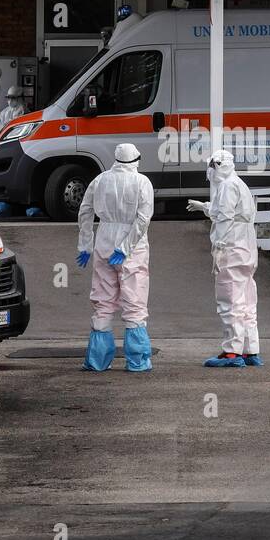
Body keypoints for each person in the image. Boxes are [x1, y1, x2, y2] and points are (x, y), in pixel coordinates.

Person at [76, 143, 154, 372]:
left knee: (103, 299)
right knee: (134, 301)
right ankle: (138, 361)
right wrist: (125, 247)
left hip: (104, 241)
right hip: (132, 247)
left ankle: (97, 360)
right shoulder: (142, 182)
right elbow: (142, 220)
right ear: (136, 159)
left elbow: (85, 211)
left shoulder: (100, 180)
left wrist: (85, 245)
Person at [187, 149, 260, 367]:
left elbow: (226, 218)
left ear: (217, 166)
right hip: (246, 248)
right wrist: (205, 207)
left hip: (232, 248)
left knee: (230, 299)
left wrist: (219, 245)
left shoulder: (227, 186)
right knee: (247, 301)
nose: (210, 172)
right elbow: (228, 212)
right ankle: (250, 350)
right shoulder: (239, 184)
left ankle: (231, 352)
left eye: (211, 167)